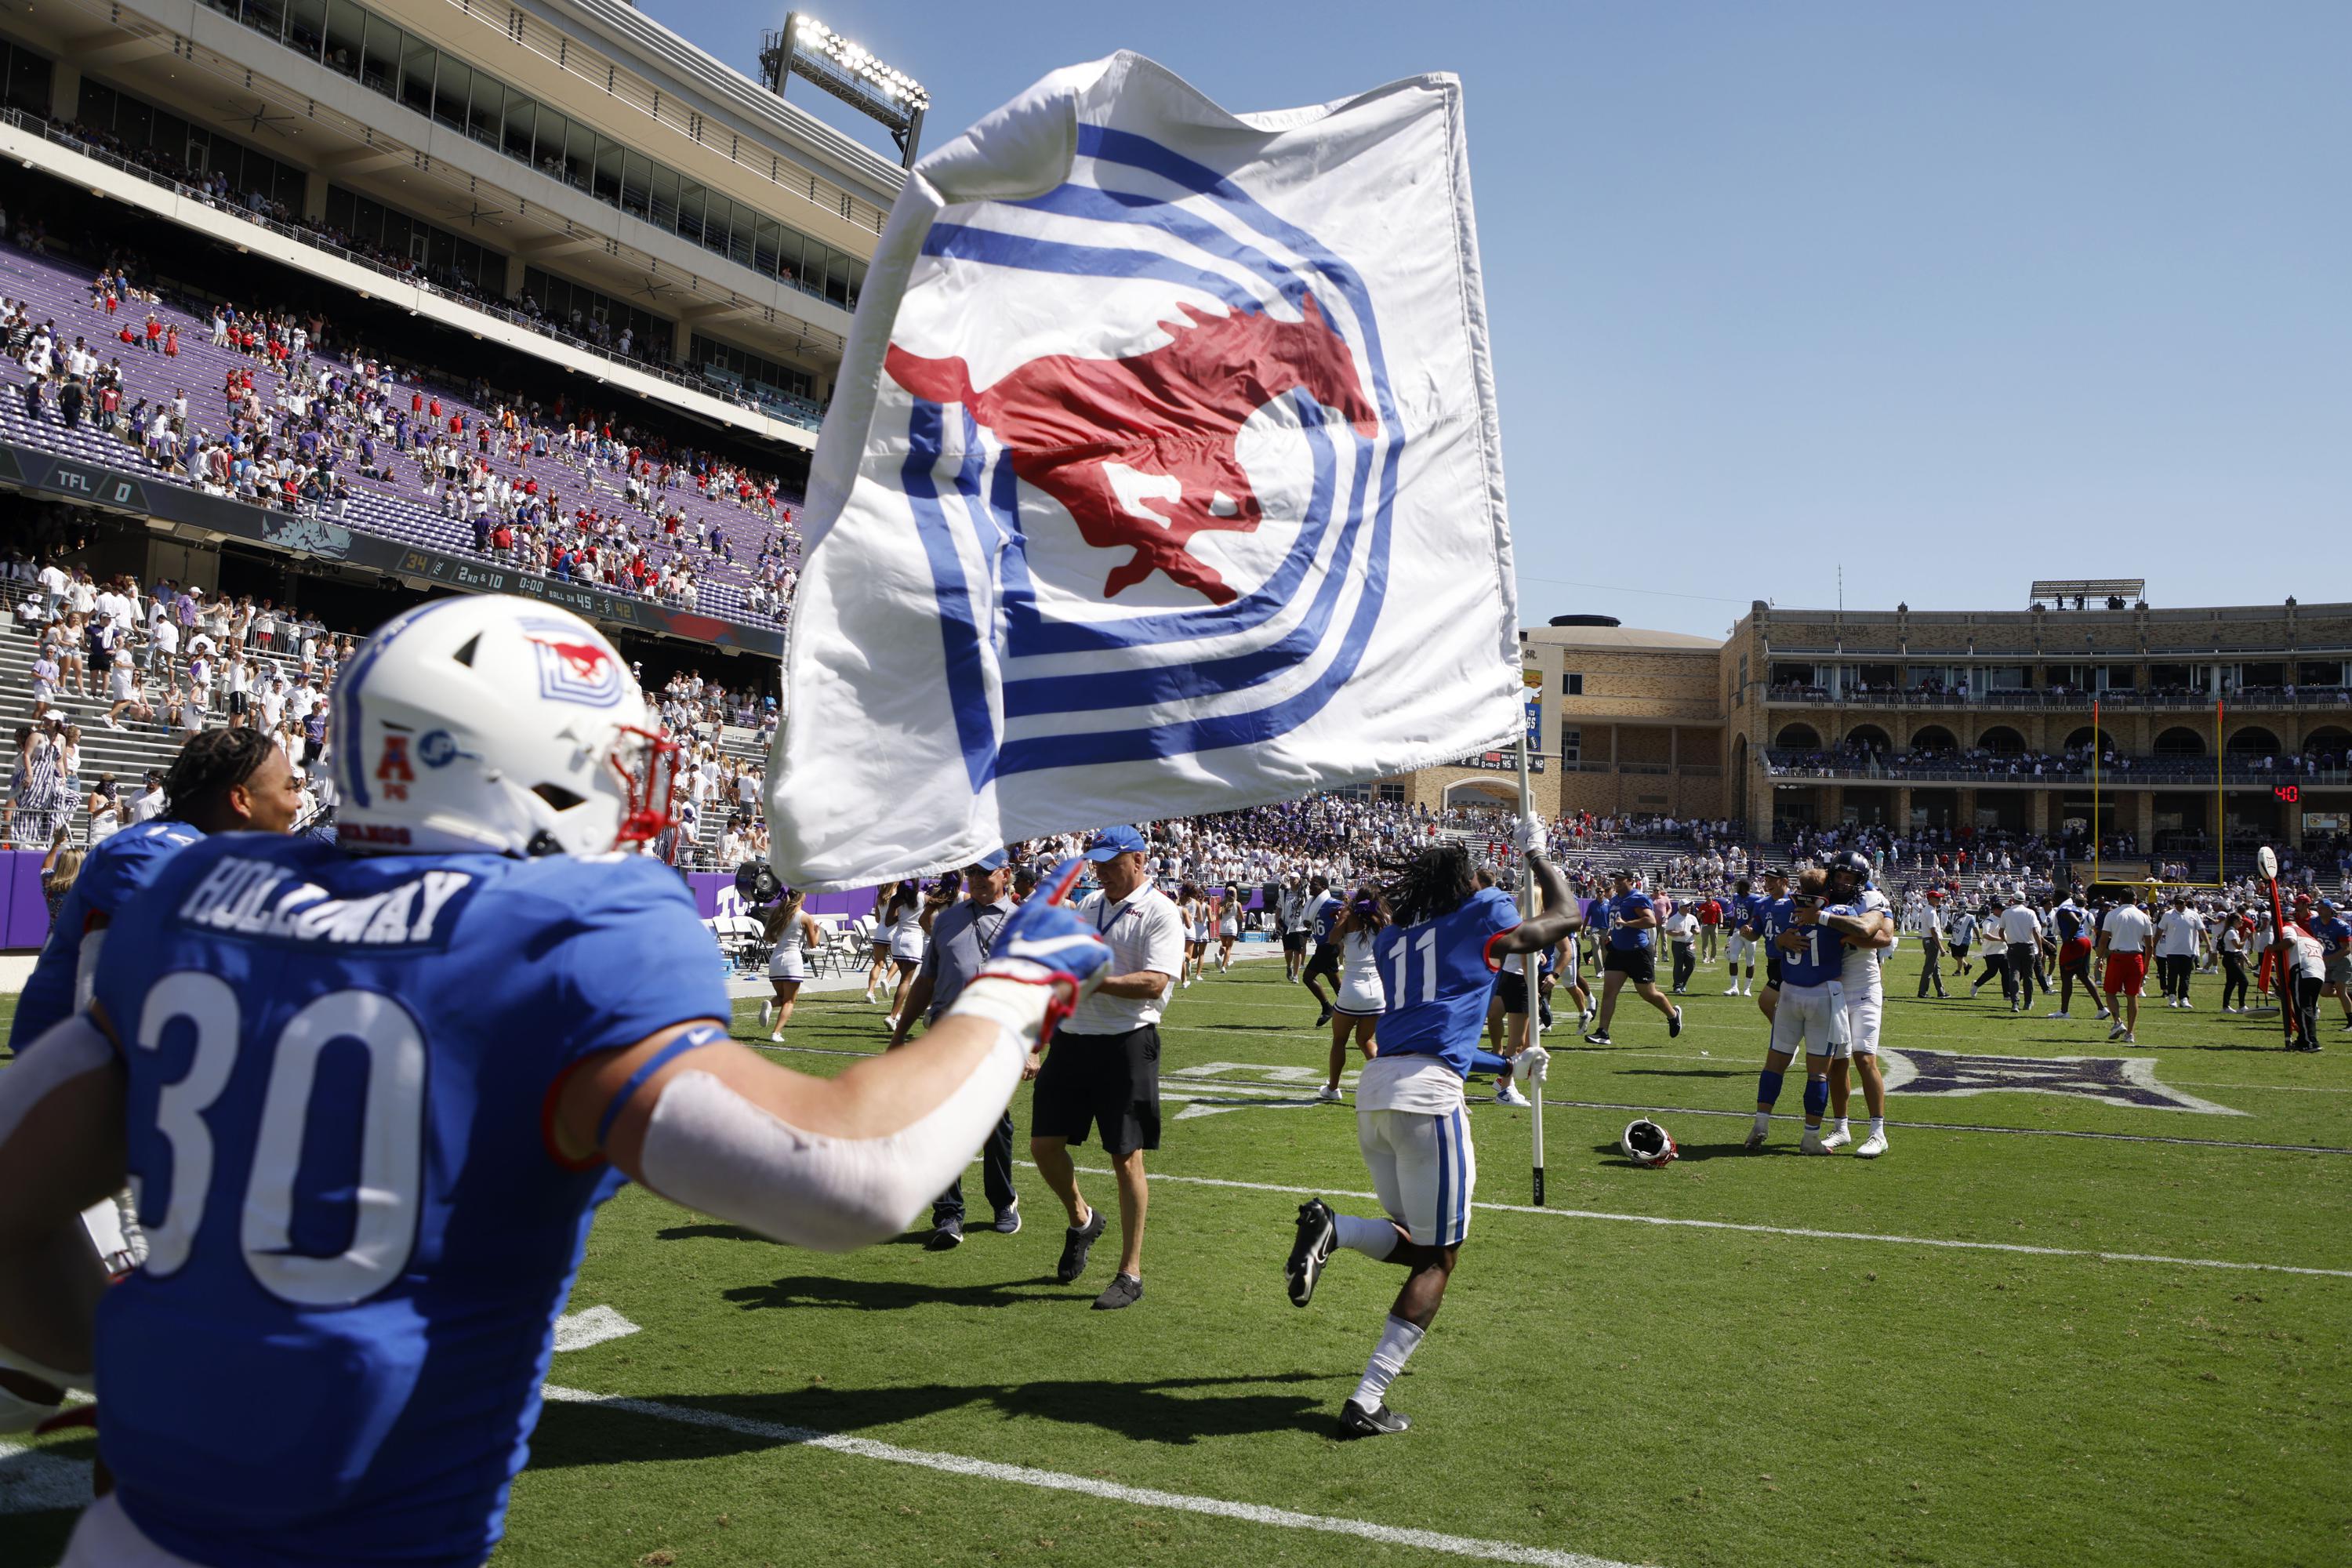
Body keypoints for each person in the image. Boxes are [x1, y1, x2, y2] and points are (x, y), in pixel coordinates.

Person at [0, 596, 1115, 1566]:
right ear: (510, 772)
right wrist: (1014, 991)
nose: (629, 795)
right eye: (605, 766)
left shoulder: (201, 901)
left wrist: (151, 1360)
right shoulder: (556, 932)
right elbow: (851, 1173)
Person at [1283, 820, 1580, 1437]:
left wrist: (1508, 1063)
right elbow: (1567, 916)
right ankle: (1367, 1399)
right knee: (1438, 1260)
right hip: (1426, 1096)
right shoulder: (1482, 912)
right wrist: (1538, 854)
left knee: (1417, 1242)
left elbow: (1434, 1035)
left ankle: (1337, 1229)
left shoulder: (1396, 940)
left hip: (1380, 1090)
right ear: (1465, 884)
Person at [1028, 825, 1184, 1310]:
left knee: (1126, 1156)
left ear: (1139, 860)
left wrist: (1095, 982)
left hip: (1127, 1044)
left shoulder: (1161, 911)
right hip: (1072, 1041)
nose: (1103, 873)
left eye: (1112, 864)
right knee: (1043, 1145)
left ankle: (1130, 1272)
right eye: (1097, 864)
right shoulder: (1090, 905)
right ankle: (1082, 1219)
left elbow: (1155, 982)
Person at [890, 850, 1023, 1250]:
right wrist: (899, 1035)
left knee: (993, 1123)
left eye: (986, 872)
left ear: (1006, 874)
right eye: (972, 872)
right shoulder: (946, 920)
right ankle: (948, 1214)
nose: (978, 879)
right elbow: (926, 983)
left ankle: (1003, 1201)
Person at [1748, 867, 1872, 1155]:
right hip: (1823, 995)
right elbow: (1863, 928)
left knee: (1774, 1064)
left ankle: (1760, 1123)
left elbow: (1775, 939)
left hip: (1790, 992)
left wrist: (1781, 940)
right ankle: (1810, 1137)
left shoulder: (1782, 907)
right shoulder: (1839, 909)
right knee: (1817, 1074)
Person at [1817, 851, 1895, 1157]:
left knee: (1865, 1058)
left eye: (1849, 878)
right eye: (1839, 876)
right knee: (1838, 1062)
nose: (1842, 882)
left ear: (1860, 881)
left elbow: (1884, 937)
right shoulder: (1821, 896)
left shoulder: (1872, 899)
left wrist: (1849, 937)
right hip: (1832, 987)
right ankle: (1841, 1127)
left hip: (1864, 987)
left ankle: (1878, 1132)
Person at [1581, 869, 1683, 1045]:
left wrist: (1627, 923)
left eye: (1621, 879)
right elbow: (1616, 922)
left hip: (1638, 951)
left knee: (1648, 994)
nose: (1617, 882)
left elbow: (1651, 921)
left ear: (1631, 881)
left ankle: (1673, 1015)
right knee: (1609, 993)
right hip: (1618, 951)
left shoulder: (1637, 898)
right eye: (1616, 879)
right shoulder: (1614, 899)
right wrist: (1612, 934)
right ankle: (1603, 1032)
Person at [1319, 887, 1389, 1103]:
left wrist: (1341, 917)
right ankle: (1388, 1085)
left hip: (1352, 986)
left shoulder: (1349, 914)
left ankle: (1333, 1088)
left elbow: (1332, 939)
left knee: (1340, 1040)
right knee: (1366, 1039)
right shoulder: (1384, 916)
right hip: (1377, 988)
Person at [756, 887, 822, 1042]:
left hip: (776, 958)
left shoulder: (778, 912)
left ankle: (770, 1004)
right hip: (792, 959)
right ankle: (776, 1033)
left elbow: (767, 936)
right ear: (801, 897)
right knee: (789, 1001)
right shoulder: (806, 917)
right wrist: (817, 932)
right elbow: (813, 945)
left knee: (781, 997)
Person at [2097, 885, 2157, 1044]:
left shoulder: (2112, 914)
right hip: (2136, 957)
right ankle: (2130, 1033)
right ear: (2135, 900)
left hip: (2117, 956)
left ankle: (2117, 1022)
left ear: (2121, 899)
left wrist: (2099, 958)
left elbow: (2103, 940)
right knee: (2132, 996)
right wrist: (2146, 964)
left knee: (2110, 992)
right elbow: (2149, 945)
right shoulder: (2144, 916)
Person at [2047, 888, 2104, 1022]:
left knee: (2066, 976)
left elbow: (2075, 922)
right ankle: (2102, 1009)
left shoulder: (2064, 909)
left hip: (2075, 942)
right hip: (2084, 940)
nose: (2053, 900)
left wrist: (2068, 937)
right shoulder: (2071, 906)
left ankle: (2064, 1011)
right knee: (2083, 976)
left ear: (2060, 898)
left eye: (2054, 897)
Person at [2273, 915, 2326, 1051]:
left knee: (2303, 1008)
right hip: (2318, 971)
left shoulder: (2288, 929)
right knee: (2309, 1008)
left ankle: (2310, 1042)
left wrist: (2273, 948)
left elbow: (2290, 941)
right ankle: (2303, 1040)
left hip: (2302, 970)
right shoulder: (2309, 936)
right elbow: (2321, 949)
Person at [880, 879, 925, 1028]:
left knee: (902, 980)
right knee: (906, 981)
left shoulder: (896, 899)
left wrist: (902, 916)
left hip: (898, 938)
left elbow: (887, 922)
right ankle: (893, 1016)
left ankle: (896, 1014)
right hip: (914, 938)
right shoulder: (924, 897)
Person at [1300, 874, 1343, 1027]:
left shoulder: (1331, 903)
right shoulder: (1312, 904)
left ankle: (1327, 1008)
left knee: (1308, 977)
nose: (1311, 887)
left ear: (1324, 887)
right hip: (1323, 946)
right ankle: (1353, 1011)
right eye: (1311, 884)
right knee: (1336, 982)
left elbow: (1346, 909)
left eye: (1314, 884)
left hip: (1328, 946)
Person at [2156, 893, 2206, 1010]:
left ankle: (2184, 998)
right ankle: (2172, 997)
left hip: (2188, 951)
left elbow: (2202, 930)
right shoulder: (2168, 915)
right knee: (2172, 975)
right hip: (2172, 951)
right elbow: (2159, 931)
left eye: (2181, 903)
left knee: (2185, 976)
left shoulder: (2194, 915)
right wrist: (2153, 945)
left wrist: (2208, 944)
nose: (2178, 905)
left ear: (2186, 902)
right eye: (2176, 903)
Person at [1996, 892, 2044, 1014]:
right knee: (2028, 976)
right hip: (2028, 947)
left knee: (2014, 974)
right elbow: (2036, 932)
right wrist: (2041, 948)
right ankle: (2028, 1002)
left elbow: (2001, 932)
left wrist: (2007, 942)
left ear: (2013, 900)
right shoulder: (2030, 913)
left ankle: (2015, 1003)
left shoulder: (2006, 913)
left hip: (2013, 947)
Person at [1721, 876, 1759, 995]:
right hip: (1737, 931)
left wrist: (1748, 926)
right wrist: (1731, 932)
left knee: (1749, 960)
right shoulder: (1736, 897)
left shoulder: (1754, 898)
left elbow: (1755, 915)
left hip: (1750, 932)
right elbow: (1736, 915)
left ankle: (1747, 988)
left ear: (1744, 887)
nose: (1737, 888)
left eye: (1739, 886)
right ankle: (1734, 988)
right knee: (1733, 958)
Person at [1913, 896, 1949, 999]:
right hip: (1932, 941)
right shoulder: (1932, 912)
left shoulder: (1927, 910)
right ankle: (1922, 992)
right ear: (1930, 899)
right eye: (1936, 898)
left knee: (1935, 968)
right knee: (1929, 968)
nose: (1939, 900)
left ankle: (1941, 991)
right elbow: (1933, 931)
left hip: (1927, 940)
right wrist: (1941, 948)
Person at [1663, 902, 1700, 994]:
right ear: (1681, 907)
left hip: (1690, 944)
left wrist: (1696, 931)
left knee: (1691, 964)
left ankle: (1682, 983)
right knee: (1678, 965)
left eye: (1690, 906)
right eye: (1687, 906)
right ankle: (1677, 986)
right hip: (1678, 944)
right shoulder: (1674, 918)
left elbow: (1698, 930)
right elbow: (1668, 931)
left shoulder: (1692, 917)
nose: (1689, 908)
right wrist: (1678, 934)